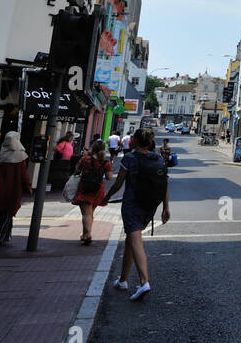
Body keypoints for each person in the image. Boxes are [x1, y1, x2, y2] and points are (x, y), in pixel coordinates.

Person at [102, 128, 169, 301]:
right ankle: (123, 280)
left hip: (133, 204)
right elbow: (164, 183)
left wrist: (106, 198)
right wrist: (165, 207)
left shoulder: (130, 158)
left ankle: (144, 281)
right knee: (131, 239)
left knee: (135, 239)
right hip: (151, 205)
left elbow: (118, 184)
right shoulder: (158, 158)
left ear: (136, 141)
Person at [72, 140, 113, 245]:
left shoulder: (85, 159)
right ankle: (85, 234)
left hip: (85, 187)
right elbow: (109, 178)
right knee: (90, 214)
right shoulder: (106, 162)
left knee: (86, 214)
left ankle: (88, 234)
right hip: (98, 189)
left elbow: (77, 169)